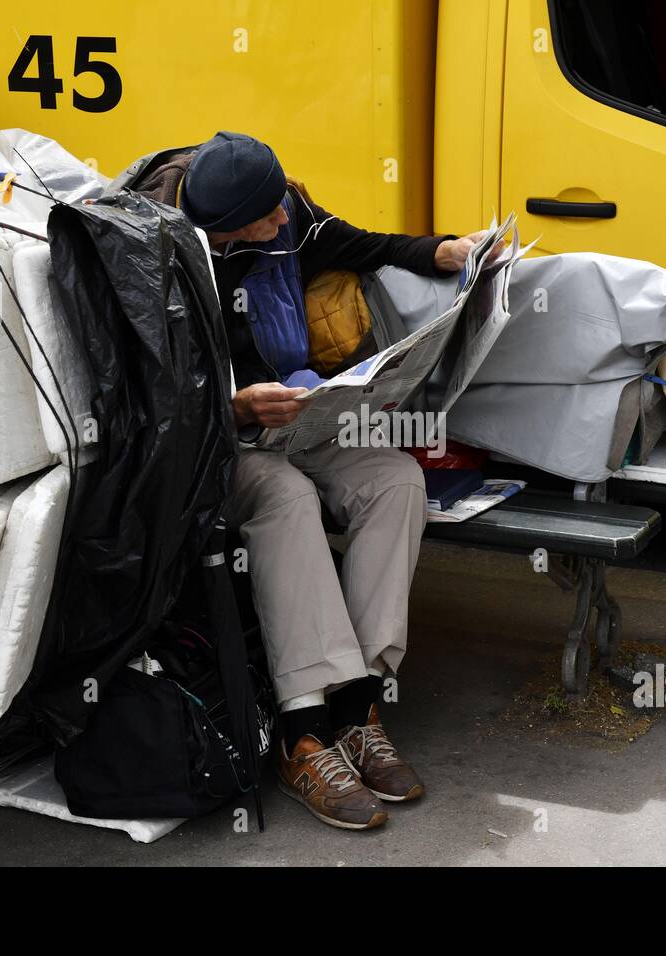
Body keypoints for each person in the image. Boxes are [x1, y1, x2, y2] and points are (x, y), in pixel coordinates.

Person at [134, 132, 491, 830]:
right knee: (287, 497)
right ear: (224, 223)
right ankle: (303, 732)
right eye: (266, 220)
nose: (282, 226)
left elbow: (359, 243)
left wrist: (443, 251)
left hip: (297, 416)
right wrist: (234, 404)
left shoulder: (282, 206)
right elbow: (151, 392)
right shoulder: (157, 249)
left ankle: (357, 708)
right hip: (215, 444)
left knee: (395, 480)